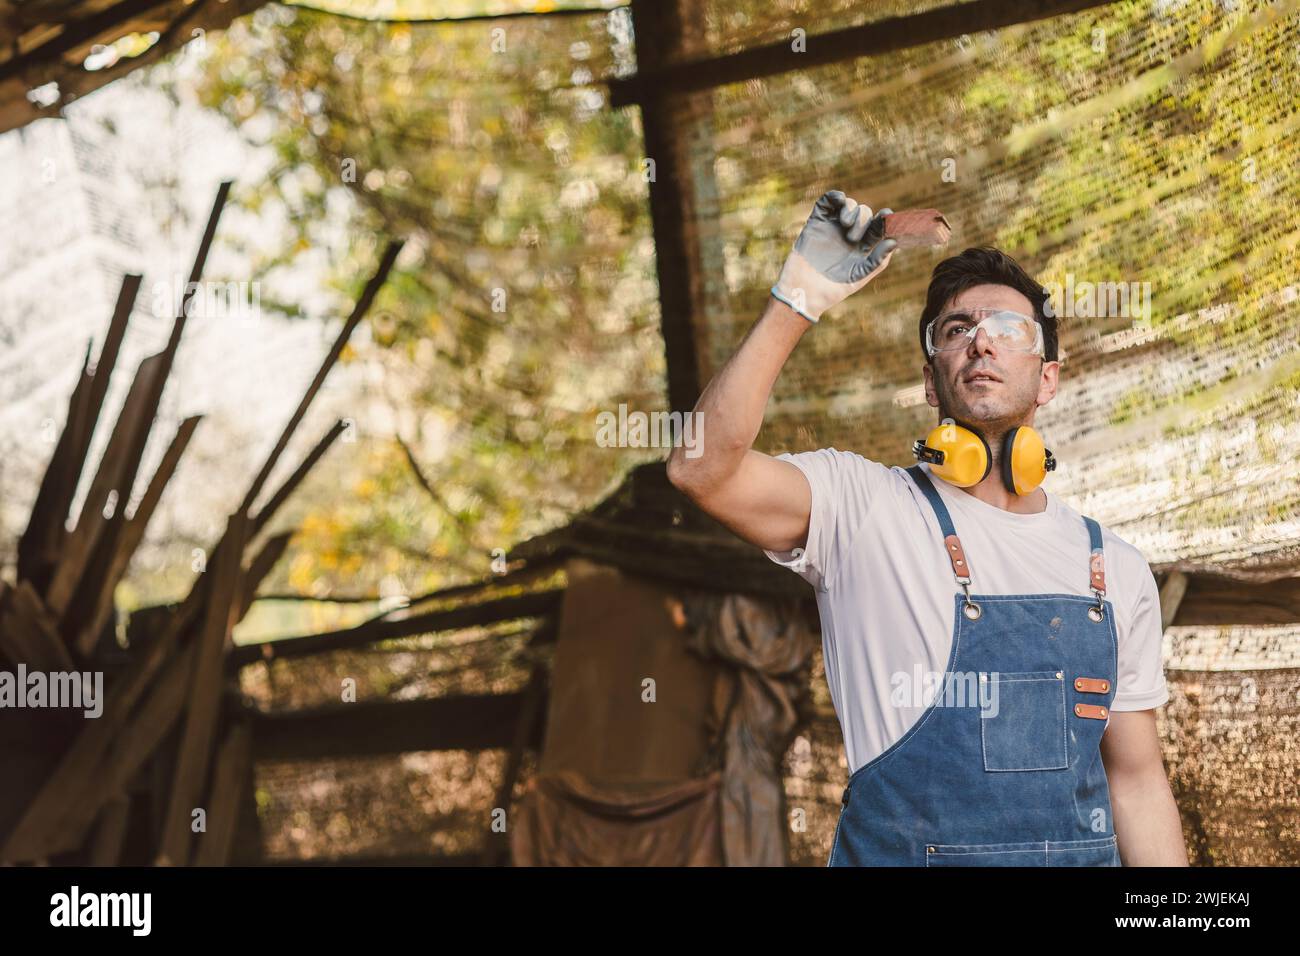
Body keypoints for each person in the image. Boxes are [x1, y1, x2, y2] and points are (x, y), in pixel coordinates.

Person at [666, 190, 1188, 866]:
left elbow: (1137, 781)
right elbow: (699, 470)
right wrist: (798, 296)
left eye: (1009, 328)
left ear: (1048, 378)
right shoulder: (862, 509)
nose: (980, 340)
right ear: (930, 382)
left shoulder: (1113, 566)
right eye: (956, 329)